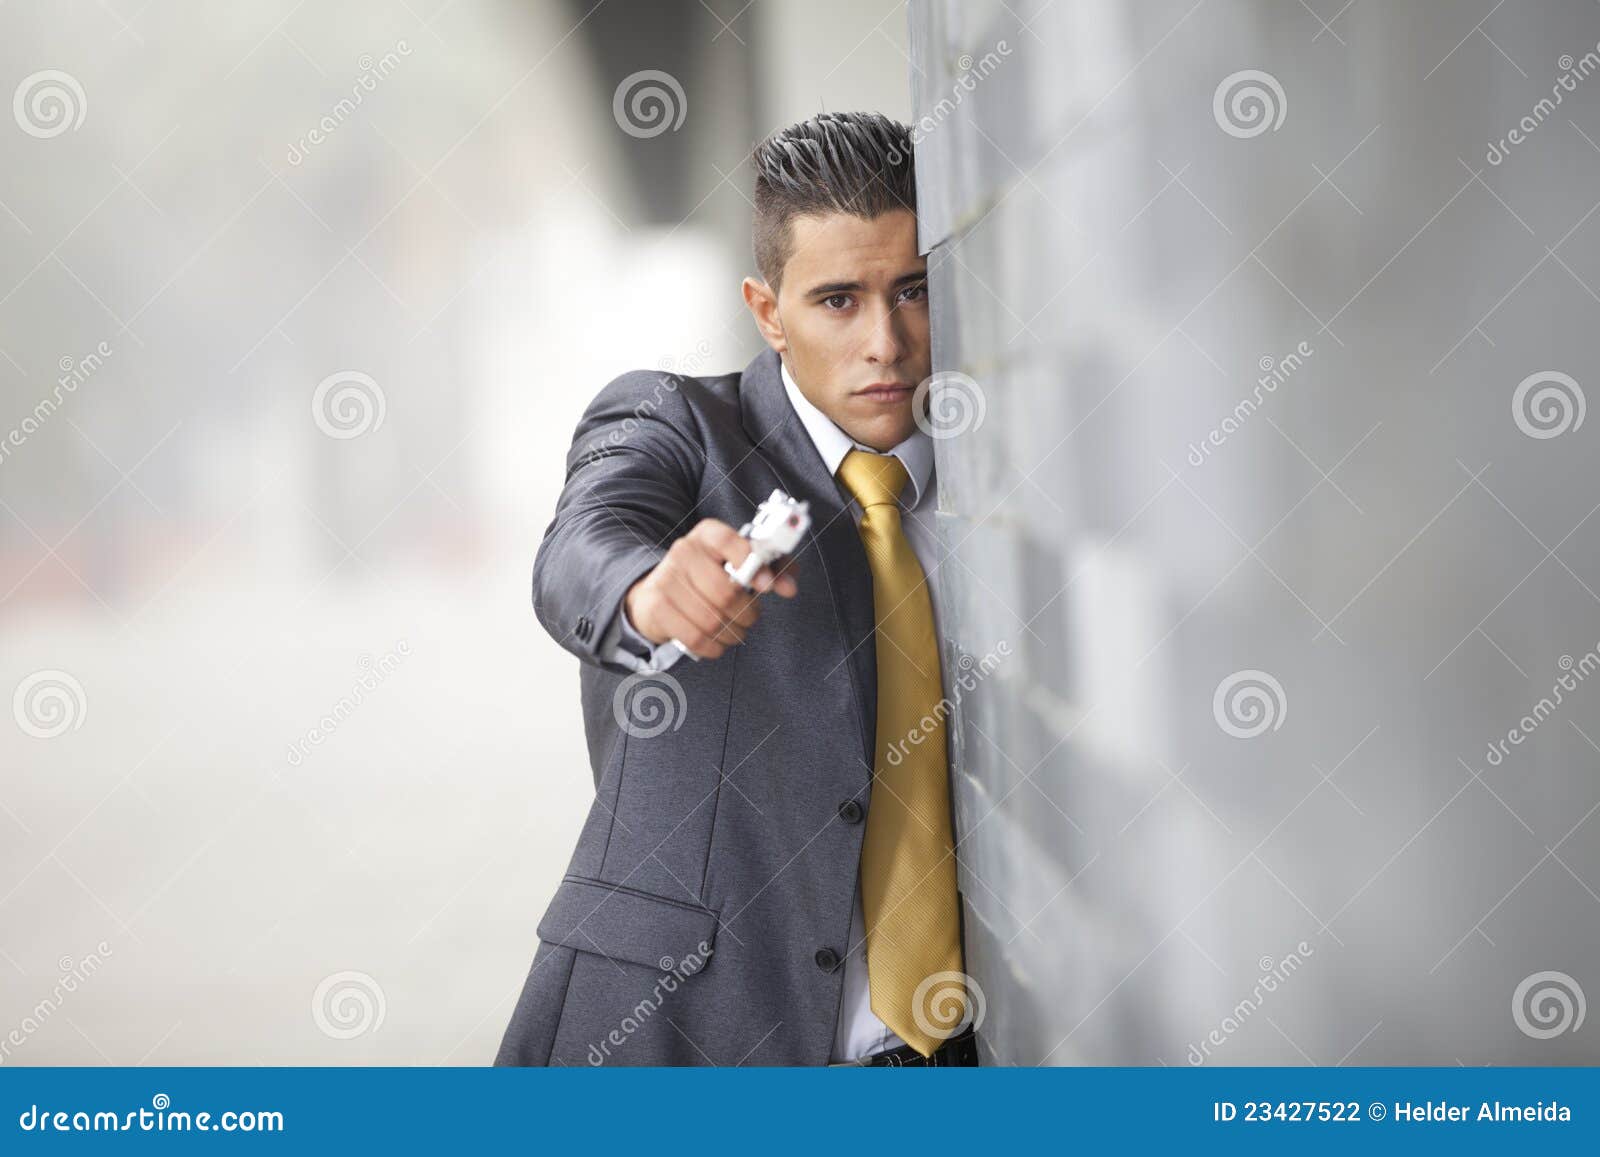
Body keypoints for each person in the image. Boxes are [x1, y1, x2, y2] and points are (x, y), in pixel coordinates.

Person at [495, 111, 978, 1067]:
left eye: (913, 291)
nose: (885, 341)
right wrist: (644, 587)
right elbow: (583, 544)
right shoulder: (678, 423)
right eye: (837, 301)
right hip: (678, 1040)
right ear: (768, 311)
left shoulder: (996, 478)